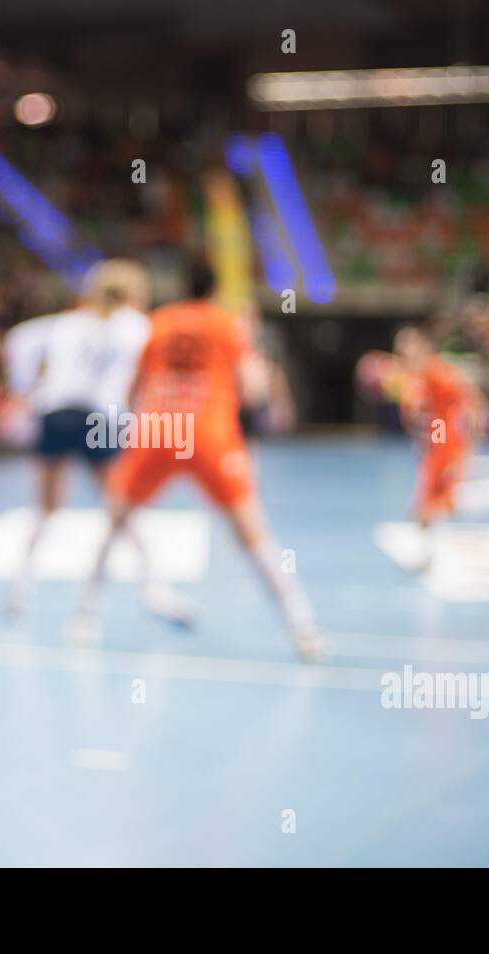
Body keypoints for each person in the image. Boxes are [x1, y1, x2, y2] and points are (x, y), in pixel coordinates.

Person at [69, 262, 327, 660]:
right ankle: (303, 625)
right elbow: (252, 388)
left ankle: (85, 618)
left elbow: (132, 389)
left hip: (158, 428)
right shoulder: (226, 323)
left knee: (115, 521)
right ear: (215, 289)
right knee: (252, 532)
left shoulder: (157, 322)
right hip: (208, 432)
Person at [0, 259, 186, 621]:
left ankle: (19, 589)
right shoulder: (136, 326)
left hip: (55, 413)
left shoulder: (68, 322)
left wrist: (21, 391)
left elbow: (20, 339)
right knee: (120, 507)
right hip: (99, 419)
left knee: (47, 508)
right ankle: (142, 590)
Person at [390, 326, 487, 569]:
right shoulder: (415, 379)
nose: (404, 354)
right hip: (433, 449)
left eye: (408, 347)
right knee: (438, 505)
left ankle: (425, 556)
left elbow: (470, 399)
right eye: (401, 349)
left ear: (422, 347)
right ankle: (426, 554)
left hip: (443, 448)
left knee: (431, 506)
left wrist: (469, 439)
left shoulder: (438, 374)